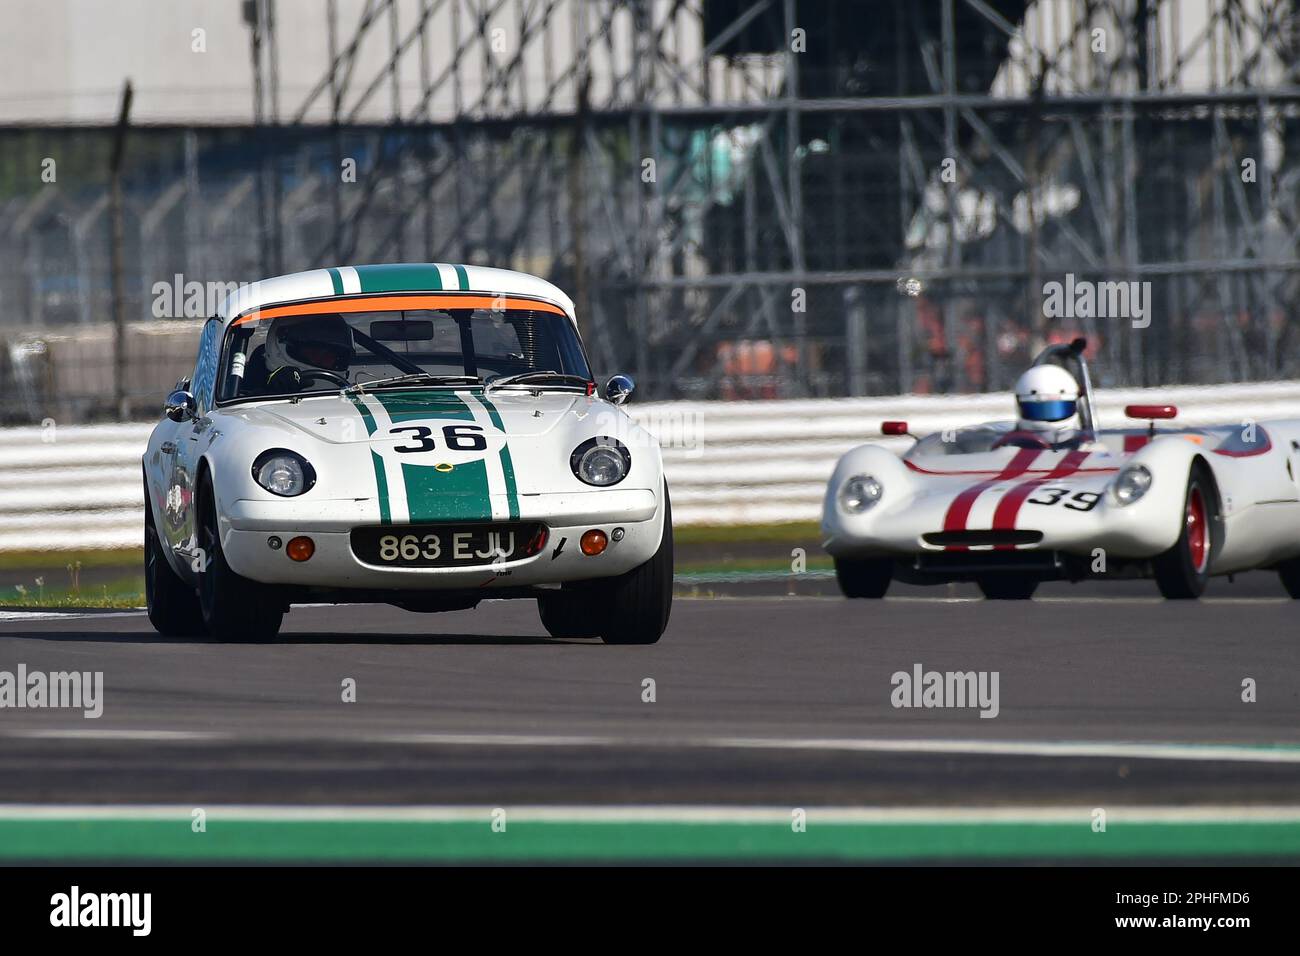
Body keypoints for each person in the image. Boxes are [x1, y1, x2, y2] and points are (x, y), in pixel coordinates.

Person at [244, 314, 355, 394]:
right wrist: (272, 391)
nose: (323, 357)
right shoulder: (253, 384)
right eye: (314, 351)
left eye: (331, 354)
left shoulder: (354, 393)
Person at [995, 363, 1086, 449]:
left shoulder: (1087, 448)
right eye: (1039, 410)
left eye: (1059, 409)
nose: (1051, 422)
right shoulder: (1010, 447)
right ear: (1020, 407)